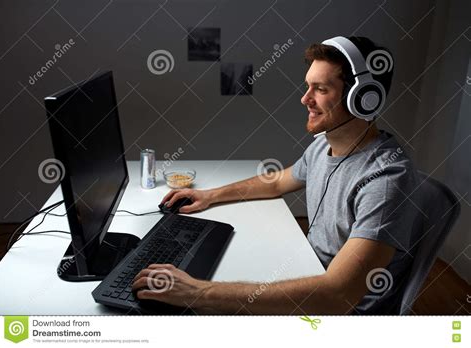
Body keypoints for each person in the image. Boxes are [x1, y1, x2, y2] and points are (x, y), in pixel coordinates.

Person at [132, 36, 420, 314]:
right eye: (308, 86)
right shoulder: (324, 144)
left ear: (364, 99)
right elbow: (278, 181)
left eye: (320, 89)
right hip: (310, 275)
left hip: (336, 315)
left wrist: (198, 292)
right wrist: (210, 195)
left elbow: (337, 296)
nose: (305, 99)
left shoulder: (386, 179)